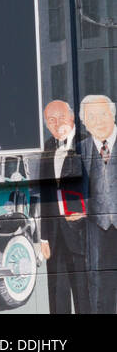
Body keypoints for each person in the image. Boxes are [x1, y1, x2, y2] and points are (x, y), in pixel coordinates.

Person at [40, 99, 87, 314]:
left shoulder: (85, 144)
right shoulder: (48, 147)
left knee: (83, 292)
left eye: (60, 117)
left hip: (81, 231)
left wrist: (86, 212)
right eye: (50, 120)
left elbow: (99, 187)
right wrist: (43, 237)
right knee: (57, 294)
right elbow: (45, 193)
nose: (56, 123)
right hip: (55, 232)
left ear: (71, 118)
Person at [79, 94, 117, 313]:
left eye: (103, 114)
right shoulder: (80, 149)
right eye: (91, 116)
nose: (98, 120)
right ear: (84, 122)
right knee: (100, 286)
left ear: (113, 114)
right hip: (97, 227)